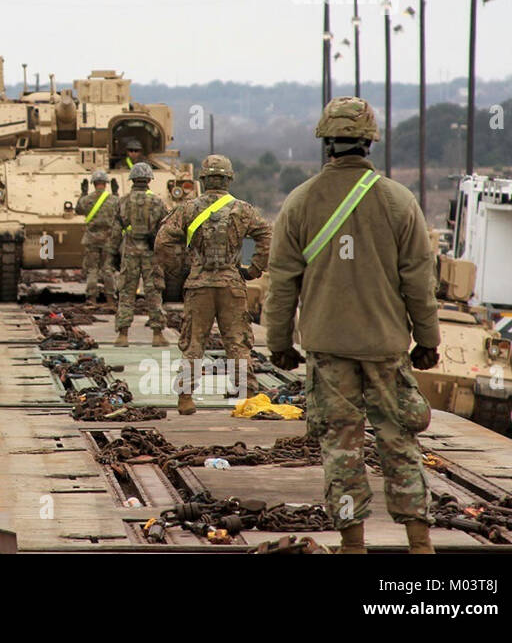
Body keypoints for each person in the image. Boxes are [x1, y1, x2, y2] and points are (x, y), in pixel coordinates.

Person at [262, 96, 440, 555]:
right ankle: (419, 544)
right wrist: (428, 339)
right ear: (369, 142)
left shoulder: (299, 202)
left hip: (327, 347)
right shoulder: (400, 202)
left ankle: (354, 545)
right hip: (385, 345)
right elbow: (419, 281)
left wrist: (280, 343)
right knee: (399, 441)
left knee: (341, 447)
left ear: (326, 144)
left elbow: (281, 283)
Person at [155, 154, 270, 415]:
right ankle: (248, 396)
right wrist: (254, 268)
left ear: (203, 179)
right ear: (229, 179)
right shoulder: (243, 209)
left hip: (199, 285)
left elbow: (162, 242)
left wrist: (180, 269)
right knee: (237, 343)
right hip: (232, 284)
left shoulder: (188, 208)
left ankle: (186, 398)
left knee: (195, 343)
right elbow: (267, 234)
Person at [114, 161, 168, 347]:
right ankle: (157, 335)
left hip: (129, 253)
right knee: (153, 293)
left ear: (132, 180)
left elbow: (115, 230)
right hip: (151, 254)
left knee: (126, 293)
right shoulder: (157, 202)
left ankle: (122, 335)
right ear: (149, 180)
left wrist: (114, 253)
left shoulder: (123, 202)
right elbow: (165, 230)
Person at [75, 169, 118, 304]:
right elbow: (120, 212)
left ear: (93, 184)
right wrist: (116, 193)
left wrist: (83, 193)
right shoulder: (113, 200)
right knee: (107, 269)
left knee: (92, 269)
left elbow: (78, 210)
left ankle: (92, 298)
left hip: (92, 239)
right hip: (108, 239)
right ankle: (110, 298)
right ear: (106, 184)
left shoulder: (87, 200)